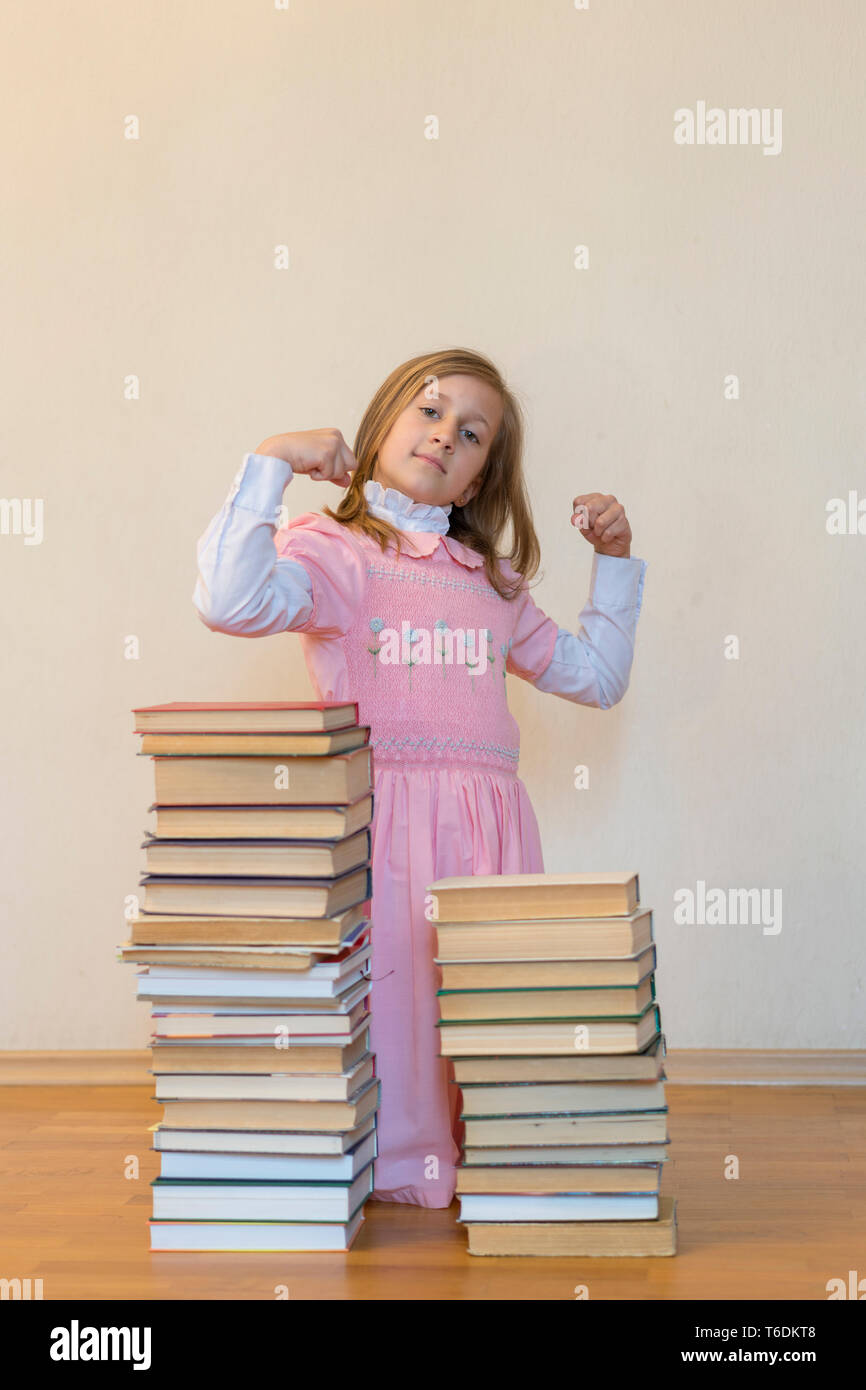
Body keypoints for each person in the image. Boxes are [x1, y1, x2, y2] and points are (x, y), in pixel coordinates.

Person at [193, 345, 647, 1209]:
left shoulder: (493, 584)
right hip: (385, 831)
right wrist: (273, 463)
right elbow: (229, 600)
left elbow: (599, 677)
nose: (445, 435)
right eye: (430, 412)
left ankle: (512, 1155)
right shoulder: (335, 552)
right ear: (380, 427)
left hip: (489, 837)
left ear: (477, 483)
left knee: (488, 1007)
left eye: (470, 434)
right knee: (398, 1003)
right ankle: (399, 1160)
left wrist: (616, 561)